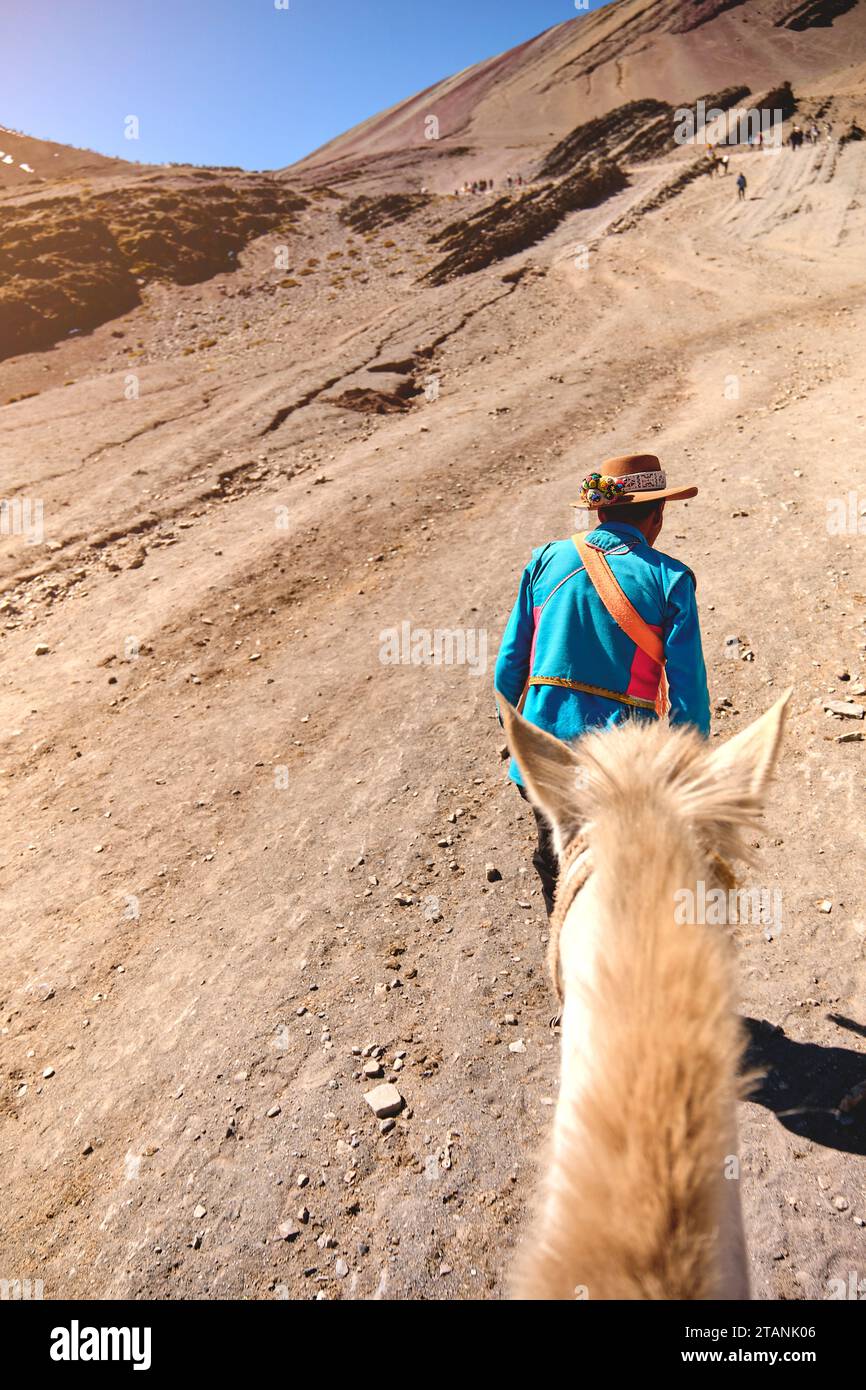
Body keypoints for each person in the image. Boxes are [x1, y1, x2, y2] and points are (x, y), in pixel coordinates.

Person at [494, 454, 710, 914]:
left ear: (600, 511)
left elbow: (509, 666)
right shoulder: (670, 579)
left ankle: (567, 961)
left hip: (543, 751)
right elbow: (689, 694)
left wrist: (514, 734)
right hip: (620, 762)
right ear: (658, 514)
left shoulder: (544, 560)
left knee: (557, 860)